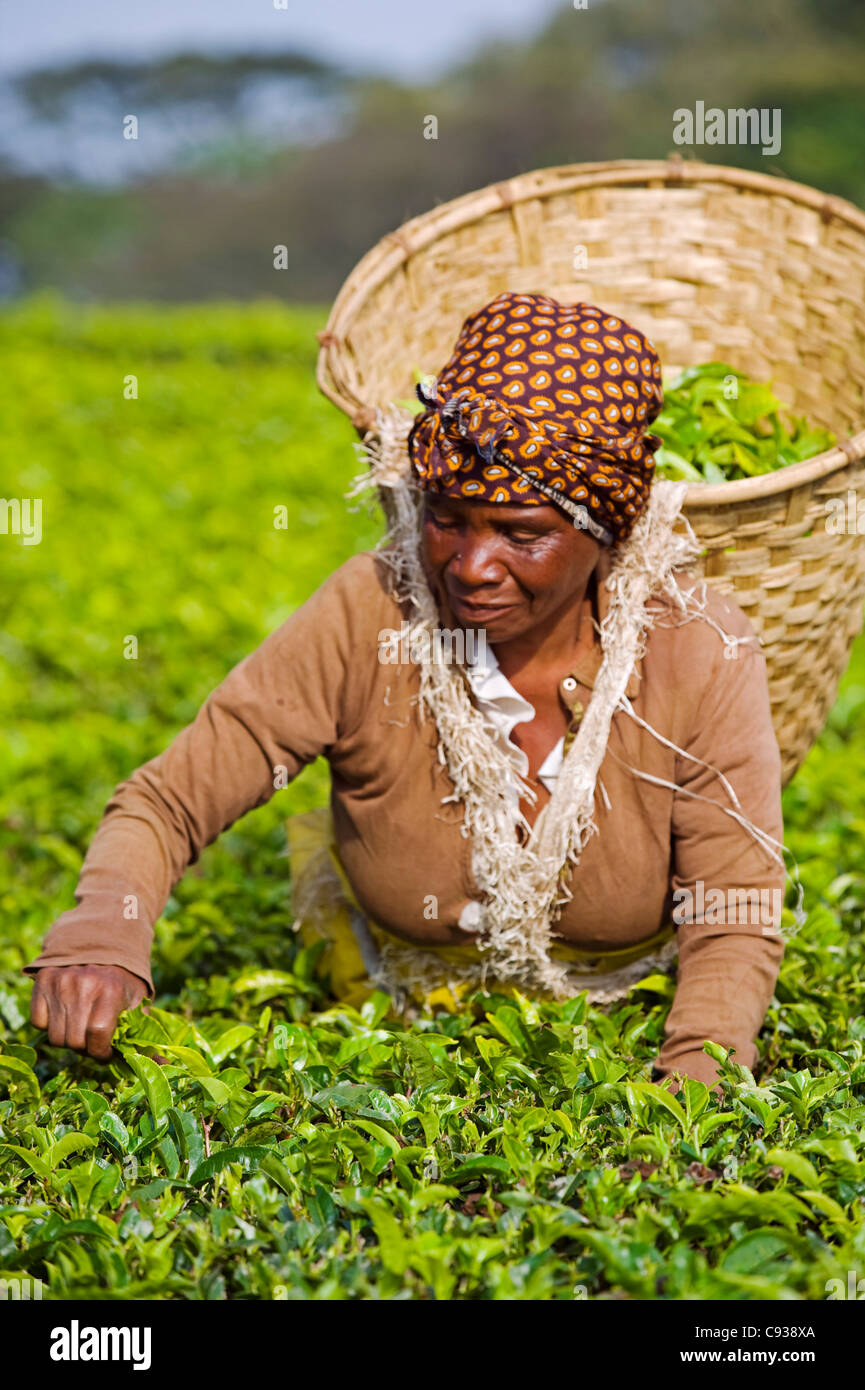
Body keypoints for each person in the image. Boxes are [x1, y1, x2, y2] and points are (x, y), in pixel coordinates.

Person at [25, 292, 787, 1093]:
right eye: (447, 519)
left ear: (606, 534)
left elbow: (732, 901)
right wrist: (101, 935)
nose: (471, 566)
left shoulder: (694, 643)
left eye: (523, 534)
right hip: (383, 1012)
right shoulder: (369, 613)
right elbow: (167, 802)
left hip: (627, 1013)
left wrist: (695, 1081)